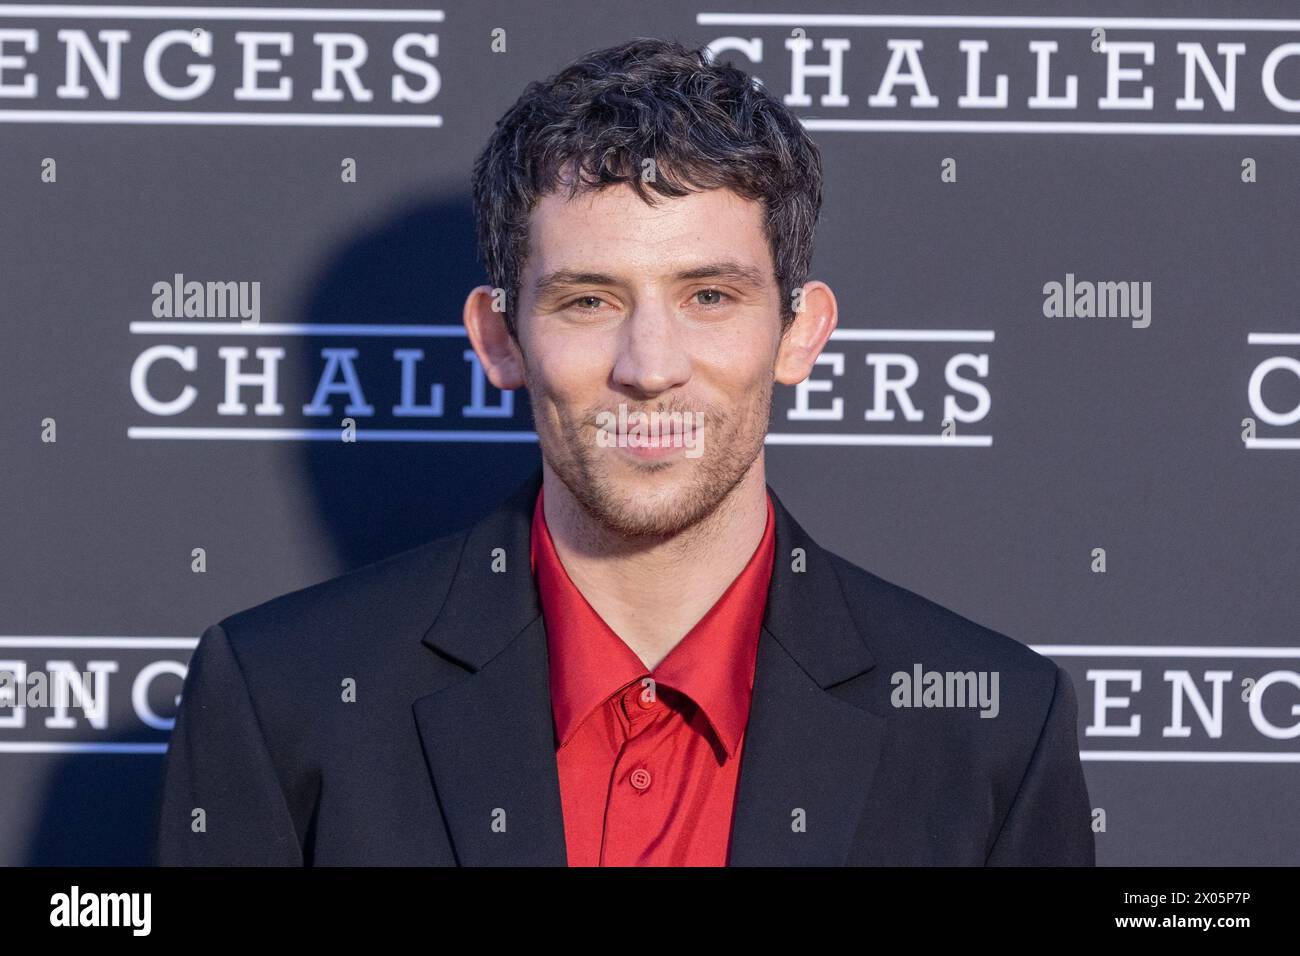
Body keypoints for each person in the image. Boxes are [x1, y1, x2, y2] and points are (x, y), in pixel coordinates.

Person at [153, 37, 1094, 866]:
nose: (650, 367)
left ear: (800, 334)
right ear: (500, 338)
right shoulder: (283, 698)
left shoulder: (990, 730)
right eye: (588, 301)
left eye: (710, 297)